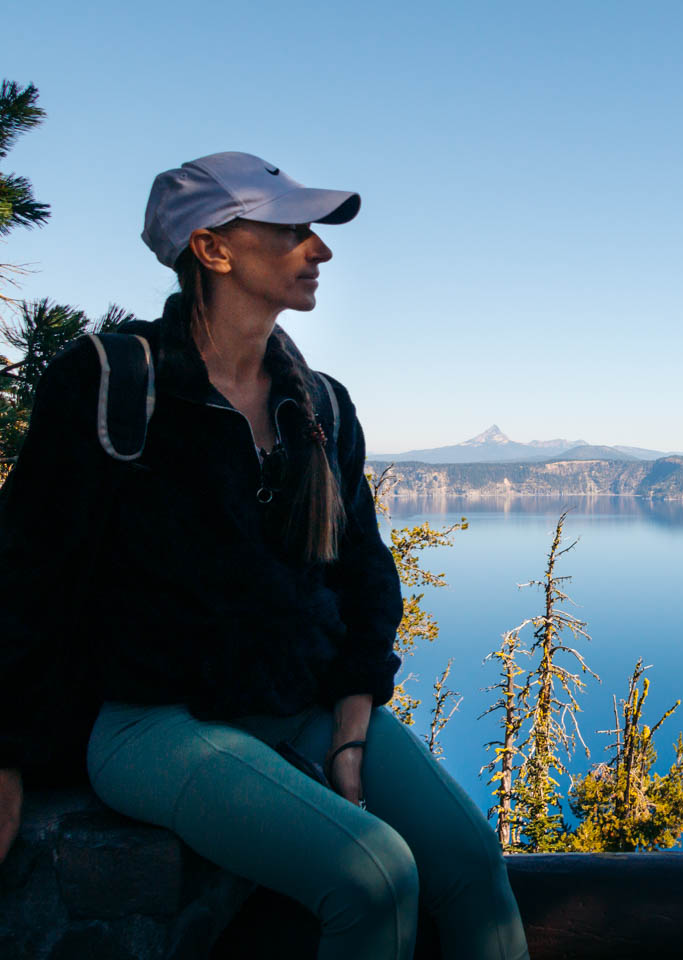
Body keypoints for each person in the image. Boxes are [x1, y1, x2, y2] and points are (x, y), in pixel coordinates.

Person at [0, 152, 529, 960]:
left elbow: (362, 573)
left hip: (303, 707)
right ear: (213, 249)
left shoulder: (318, 404)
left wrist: (353, 720)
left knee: (470, 862)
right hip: (153, 722)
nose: (318, 249)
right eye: (290, 229)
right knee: (374, 876)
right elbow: (24, 566)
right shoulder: (113, 383)